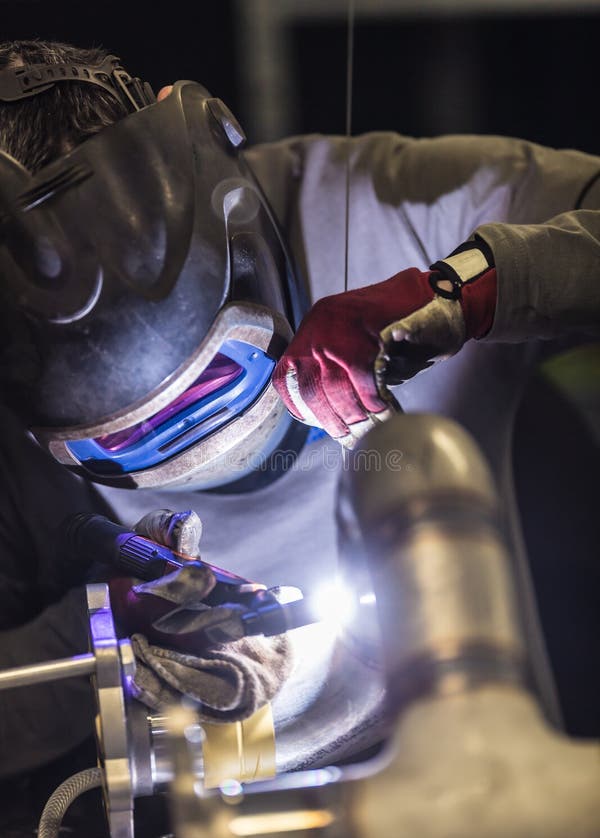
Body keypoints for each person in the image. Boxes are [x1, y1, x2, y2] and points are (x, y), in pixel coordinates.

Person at [0, 39, 598, 779]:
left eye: (215, 376)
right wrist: (96, 639)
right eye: (129, 432)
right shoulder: (17, 460)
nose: (183, 433)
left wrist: (465, 289)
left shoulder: (397, 208)